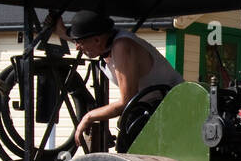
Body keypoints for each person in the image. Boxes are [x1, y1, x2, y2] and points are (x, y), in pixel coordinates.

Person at [55, 10, 184, 149]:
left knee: (129, 140)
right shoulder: (101, 40)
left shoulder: (122, 46)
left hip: (173, 109)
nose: (77, 47)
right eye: (75, 41)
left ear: (97, 40)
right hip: (151, 108)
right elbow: (76, 36)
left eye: (79, 43)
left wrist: (88, 117)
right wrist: (59, 27)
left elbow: (126, 101)